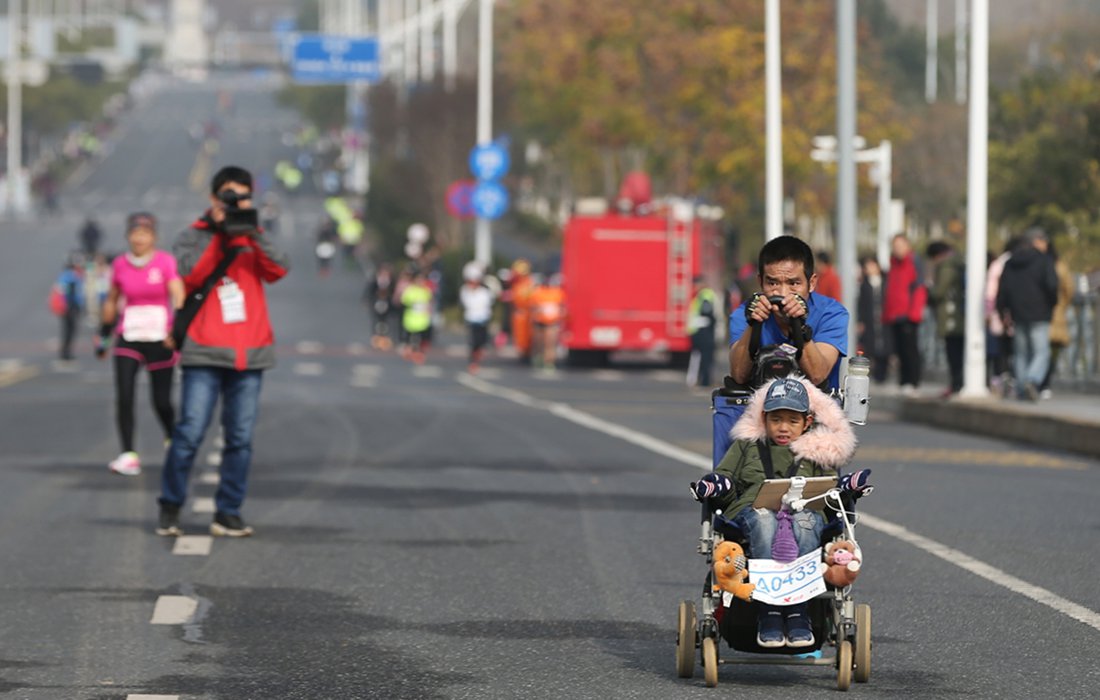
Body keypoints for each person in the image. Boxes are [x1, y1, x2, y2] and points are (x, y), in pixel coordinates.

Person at [157, 166, 290, 538]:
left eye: (243, 197)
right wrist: (218, 234)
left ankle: (228, 511)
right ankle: (170, 505)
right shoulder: (192, 236)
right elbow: (190, 273)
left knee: (240, 439)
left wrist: (251, 232)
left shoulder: (253, 236)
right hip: (204, 350)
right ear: (214, 199)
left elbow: (279, 268)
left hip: (250, 352)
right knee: (189, 433)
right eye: (229, 197)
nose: (236, 203)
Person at [691, 377, 859, 648]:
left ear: (807, 423)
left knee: (806, 522)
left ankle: (797, 612)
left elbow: (831, 489)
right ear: (764, 419)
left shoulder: (817, 451)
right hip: (752, 511)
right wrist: (714, 484)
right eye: (776, 419)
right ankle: (768, 611)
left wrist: (848, 486)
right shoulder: (747, 445)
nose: (783, 427)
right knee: (764, 520)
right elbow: (724, 475)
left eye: (792, 421)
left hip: (803, 512)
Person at [98, 213, 185, 476]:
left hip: (160, 339)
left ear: (154, 237)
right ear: (128, 236)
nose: (140, 239)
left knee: (161, 401)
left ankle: (172, 439)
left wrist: (177, 331)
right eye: (135, 233)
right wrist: (104, 335)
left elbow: (178, 296)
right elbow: (112, 300)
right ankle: (128, 454)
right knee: (124, 396)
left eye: (145, 234)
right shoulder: (120, 265)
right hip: (129, 337)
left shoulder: (166, 263)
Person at [728, 235, 849, 391]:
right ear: (760, 282)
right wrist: (754, 325)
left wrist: (798, 326)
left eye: (793, 283)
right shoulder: (745, 314)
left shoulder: (831, 313)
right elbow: (738, 374)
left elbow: (818, 375)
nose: (783, 294)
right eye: (772, 283)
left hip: (815, 410)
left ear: (811, 283)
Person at [996, 227, 1058, 402]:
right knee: (1041, 351)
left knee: (1020, 352)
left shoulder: (1011, 262)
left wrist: (1003, 312)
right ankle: (1032, 380)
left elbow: (1003, 290)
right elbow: (1052, 286)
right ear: (1036, 241)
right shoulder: (1044, 261)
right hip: (1039, 311)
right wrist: (1050, 305)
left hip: (1017, 313)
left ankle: (1022, 387)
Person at [883, 234, 927, 394]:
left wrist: (914, 313)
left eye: (900, 245)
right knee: (899, 350)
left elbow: (919, 288)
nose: (898, 249)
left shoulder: (914, 262)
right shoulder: (893, 264)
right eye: (895, 246)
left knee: (910, 350)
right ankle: (903, 381)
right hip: (894, 314)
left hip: (908, 314)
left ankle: (913, 381)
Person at [927, 241, 965, 397]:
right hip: (957, 316)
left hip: (951, 317)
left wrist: (929, 290)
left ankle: (957, 384)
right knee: (956, 351)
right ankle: (957, 383)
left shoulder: (947, 267)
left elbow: (939, 291)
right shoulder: (958, 263)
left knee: (953, 352)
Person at [1039, 243, 1075, 399]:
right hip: (1056, 314)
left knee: (1038, 350)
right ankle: (1044, 383)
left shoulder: (1038, 265)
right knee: (1051, 350)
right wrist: (1062, 305)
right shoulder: (1060, 266)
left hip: (1038, 313)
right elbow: (1069, 289)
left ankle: (1038, 382)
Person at [856, 256, 889, 383]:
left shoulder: (886, 282)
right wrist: (860, 320)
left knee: (885, 346)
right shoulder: (864, 285)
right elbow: (861, 304)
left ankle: (883, 374)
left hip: (884, 320)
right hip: (869, 320)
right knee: (870, 346)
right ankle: (873, 374)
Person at [459, 262, 495, 373]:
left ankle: (478, 356)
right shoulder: (465, 291)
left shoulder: (485, 292)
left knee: (482, 342)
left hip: (483, 320)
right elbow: (466, 304)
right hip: (471, 320)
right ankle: (473, 361)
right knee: (473, 342)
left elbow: (489, 304)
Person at [527, 273, 566, 370]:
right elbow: (532, 306)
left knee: (550, 343)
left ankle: (549, 362)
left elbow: (562, 307)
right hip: (539, 322)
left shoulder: (558, 293)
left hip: (552, 322)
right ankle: (539, 357)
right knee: (539, 343)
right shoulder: (538, 292)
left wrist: (561, 316)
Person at [687, 276, 719, 387]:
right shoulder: (703, 295)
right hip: (701, 330)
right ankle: (704, 381)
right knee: (705, 357)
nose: (694, 287)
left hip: (702, 329)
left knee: (703, 357)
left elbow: (706, 310)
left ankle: (703, 380)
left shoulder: (705, 295)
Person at [55, 255, 86, 361]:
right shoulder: (70, 276)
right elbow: (63, 291)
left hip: (72, 307)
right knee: (69, 330)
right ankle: (65, 352)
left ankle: (67, 351)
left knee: (71, 331)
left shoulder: (75, 275)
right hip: (69, 307)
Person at [400, 269, 433, 364]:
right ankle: (409, 350)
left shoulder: (426, 291)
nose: (421, 281)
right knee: (410, 337)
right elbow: (404, 301)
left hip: (422, 319)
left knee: (422, 338)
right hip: (411, 319)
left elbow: (429, 302)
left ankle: (419, 354)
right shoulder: (410, 290)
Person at [364, 263, 395, 350]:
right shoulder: (375, 280)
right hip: (377, 302)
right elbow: (369, 290)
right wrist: (367, 300)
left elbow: (393, 291)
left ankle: (385, 340)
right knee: (376, 321)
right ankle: (376, 339)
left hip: (387, 303)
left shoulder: (391, 281)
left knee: (386, 322)